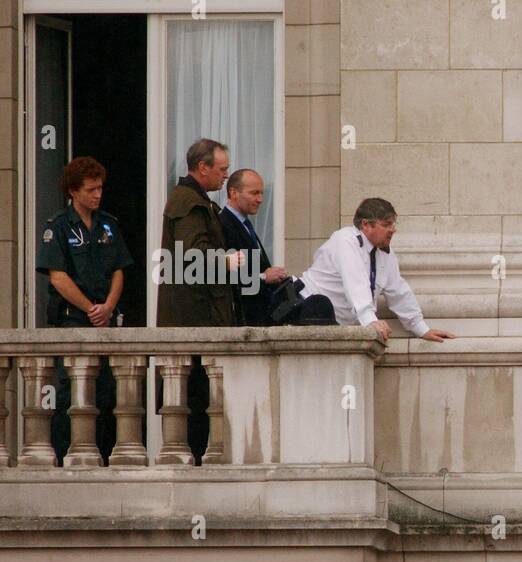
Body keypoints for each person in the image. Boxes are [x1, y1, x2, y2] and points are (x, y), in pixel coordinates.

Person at [36, 156, 133, 464]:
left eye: (100, 188)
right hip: (73, 320)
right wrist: (91, 308)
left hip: (105, 319)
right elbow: (58, 276)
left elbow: (120, 268)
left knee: (106, 390)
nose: (97, 194)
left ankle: (101, 455)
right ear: (73, 191)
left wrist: (109, 307)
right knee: (71, 391)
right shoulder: (59, 227)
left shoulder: (108, 224)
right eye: (91, 189)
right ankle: (66, 455)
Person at [156, 138, 232, 463]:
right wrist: (227, 261)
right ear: (203, 167)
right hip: (195, 319)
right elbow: (192, 255)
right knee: (196, 406)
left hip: (199, 316)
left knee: (200, 405)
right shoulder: (189, 203)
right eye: (222, 169)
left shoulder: (195, 200)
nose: (225, 176)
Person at [298, 198, 454, 344]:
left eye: (393, 224)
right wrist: (369, 319)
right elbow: (355, 283)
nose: (393, 230)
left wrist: (422, 329)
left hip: (333, 323)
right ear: (366, 225)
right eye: (386, 224)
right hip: (304, 309)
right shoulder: (346, 240)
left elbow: (398, 291)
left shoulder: (384, 252)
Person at [219, 168, 288, 325]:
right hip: (244, 320)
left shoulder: (243, 223)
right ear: (234, 193)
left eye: (261, 193)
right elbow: (228, 277)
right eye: (254, 193)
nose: (260, 199)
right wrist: (265, 277)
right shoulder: (223, 224)